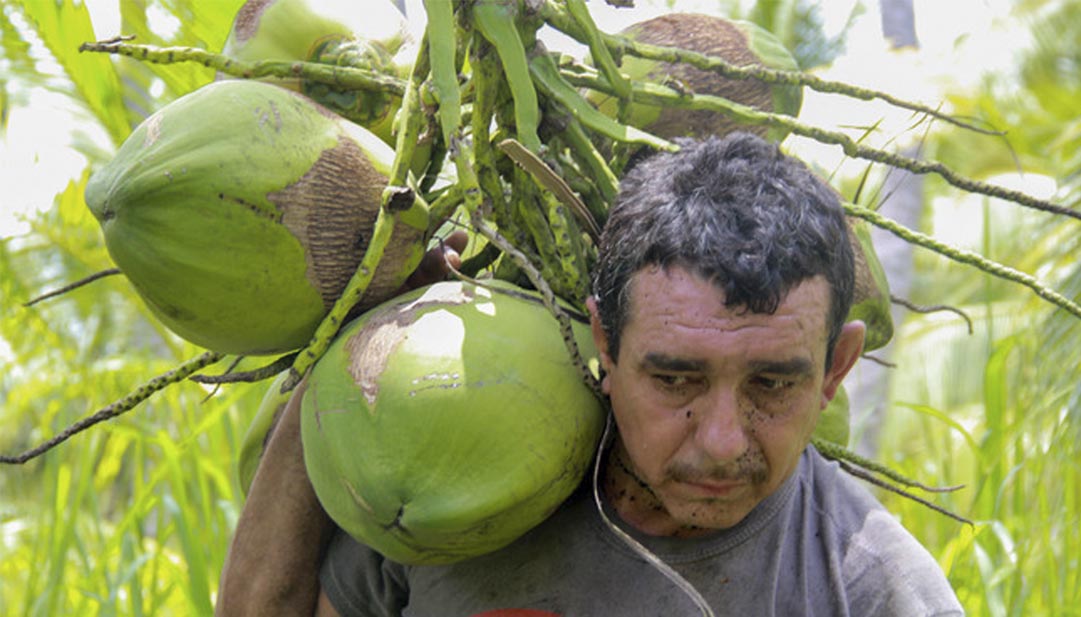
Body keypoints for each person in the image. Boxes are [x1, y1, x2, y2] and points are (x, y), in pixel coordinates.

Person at [216, 132, 964, 616]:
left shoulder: (871, 590)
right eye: (674, 379)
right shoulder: (456, 498)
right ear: (602, 342)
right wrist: (348, 335)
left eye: (772, 384)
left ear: (836, 367)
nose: (720, 440)